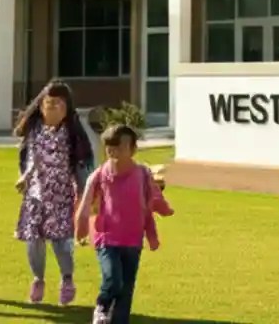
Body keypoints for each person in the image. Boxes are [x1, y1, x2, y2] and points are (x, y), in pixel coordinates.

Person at [74, 124, 174, 324]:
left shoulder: (143, 173)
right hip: (107, 237)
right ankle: (102, 307)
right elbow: (85, 205)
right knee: (113, 279)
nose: (113, 151)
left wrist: (164, 211)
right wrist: (81, 230)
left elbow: (153, 197)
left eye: (119, 147)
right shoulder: (100, 175)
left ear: (133, 149)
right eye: (110, 147)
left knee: (126, 289)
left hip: (133, 239)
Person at [14, 80, 95, 305]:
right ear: (40, 106)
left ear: (67, 108)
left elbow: (82, 166)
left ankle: (67, 279)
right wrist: (24, 178)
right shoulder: (34, 131)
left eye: (59, 104)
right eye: (49, 103)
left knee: (61, 243)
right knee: (34, 241)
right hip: (35, 196)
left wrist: (84, 195)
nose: (53, 108)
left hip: (61, 196)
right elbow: (30, 159)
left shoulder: (72, 133)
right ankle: (38, 279)